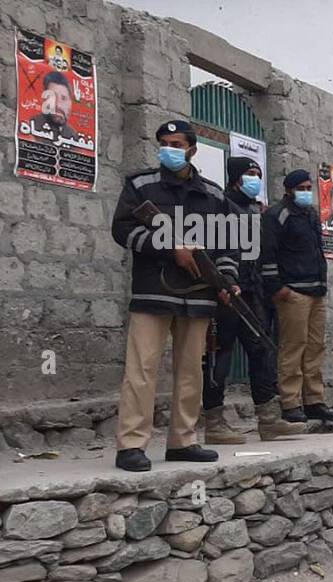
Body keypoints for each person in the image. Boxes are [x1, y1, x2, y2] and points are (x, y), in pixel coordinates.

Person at [110, 119, 242, 472]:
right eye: (165, 142)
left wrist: (227, 280)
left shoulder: (214, 194)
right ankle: (132, 445)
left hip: (198, 296)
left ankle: (183, 441)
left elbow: (229, 243)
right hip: (153, 291)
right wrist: (171, 249)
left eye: (178, 143)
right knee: (142, 369)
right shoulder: (140, 185)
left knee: (190, 371)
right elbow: (123, 230)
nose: (170, 148)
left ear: (192, 150)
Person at [201, 156, 306, 445]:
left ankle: (269, 421)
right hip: (224, 294)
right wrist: (222, 283)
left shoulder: (258, 211)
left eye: (258, 173)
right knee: (218, 358)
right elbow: (214, 249)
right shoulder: (220, 207)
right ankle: (214, 423)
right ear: (235, 176)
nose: (255, 178)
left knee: (262, 352)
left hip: (253, 292)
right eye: (250, 173)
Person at [261, 169, 333, 426]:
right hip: (293, 291)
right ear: (289, 189)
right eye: (301, 188)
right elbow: (267, 254)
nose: (306, 192)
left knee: (315, 347)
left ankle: (313, 400)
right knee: (293, 346)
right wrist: (277, 287)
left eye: (309, 188)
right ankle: (291, 402)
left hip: (316, 290)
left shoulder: (310, 214)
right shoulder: (277, 215)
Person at [28, 70, 77, 142]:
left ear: (70, 104)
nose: (58, 105)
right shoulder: (31, 126)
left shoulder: (73, 136)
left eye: (64, 98)